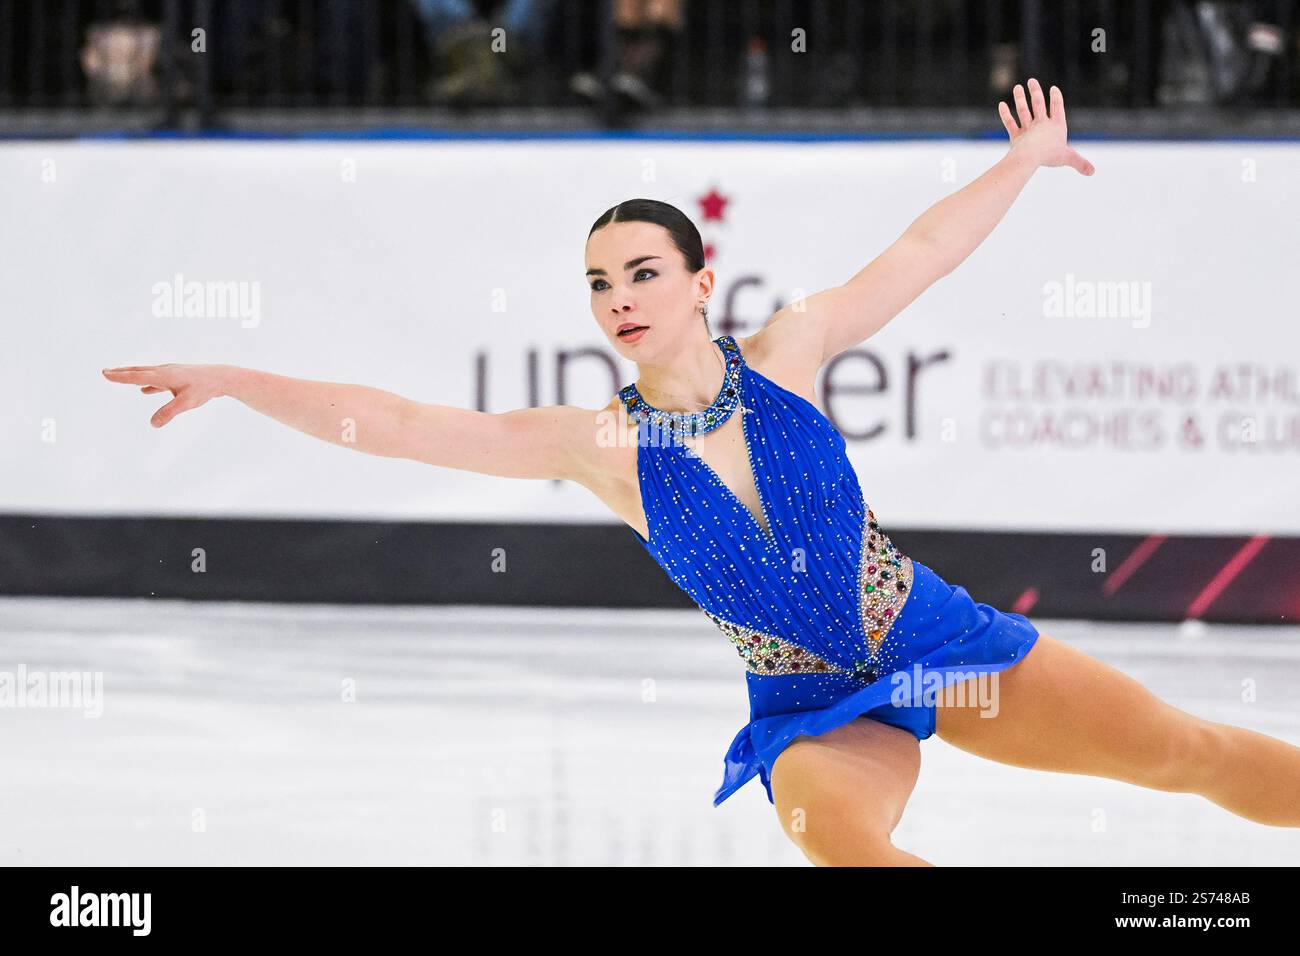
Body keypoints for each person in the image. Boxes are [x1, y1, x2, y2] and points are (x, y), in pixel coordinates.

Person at [102, 80, 1300, 865]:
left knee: (1186, 753)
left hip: (933, 638)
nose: (618, 299)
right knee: (850, 850)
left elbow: (922, 251)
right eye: (597, 282)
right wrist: (238, 377)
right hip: (805, 708)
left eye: (638, 273)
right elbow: (399, 422)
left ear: (696, 278)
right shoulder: (597, 447)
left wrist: (1025, 162)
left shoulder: (792, 351)